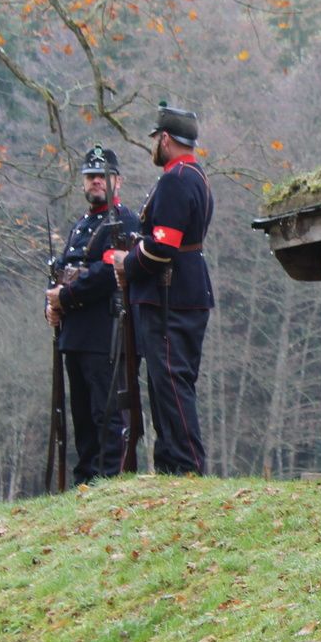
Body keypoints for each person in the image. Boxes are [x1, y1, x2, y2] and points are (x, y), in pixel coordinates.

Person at [116, 101, 215, 476]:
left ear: (166, 139)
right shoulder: (194, 176)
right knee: (167, 382)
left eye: (156, 138)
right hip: (180, 292)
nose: (153, 144)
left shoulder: (176, 180)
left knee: (172, 382)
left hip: (170, 295)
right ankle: (172, 463)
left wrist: (128, 263)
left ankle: (186, 465)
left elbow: (163, 246)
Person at [44, 146, 139, 482]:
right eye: (91, 176)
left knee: (106, 413)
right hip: (75, 334)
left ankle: (108, 480)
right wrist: (51, 304)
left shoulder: (124, 221)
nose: (96, 181)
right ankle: (85, 482)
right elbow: (62, 270)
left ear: (117, 181)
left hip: (105, 333)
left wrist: (64, 297)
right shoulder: (81, 225)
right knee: (81, 415)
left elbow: (105, 273)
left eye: (103, 176)